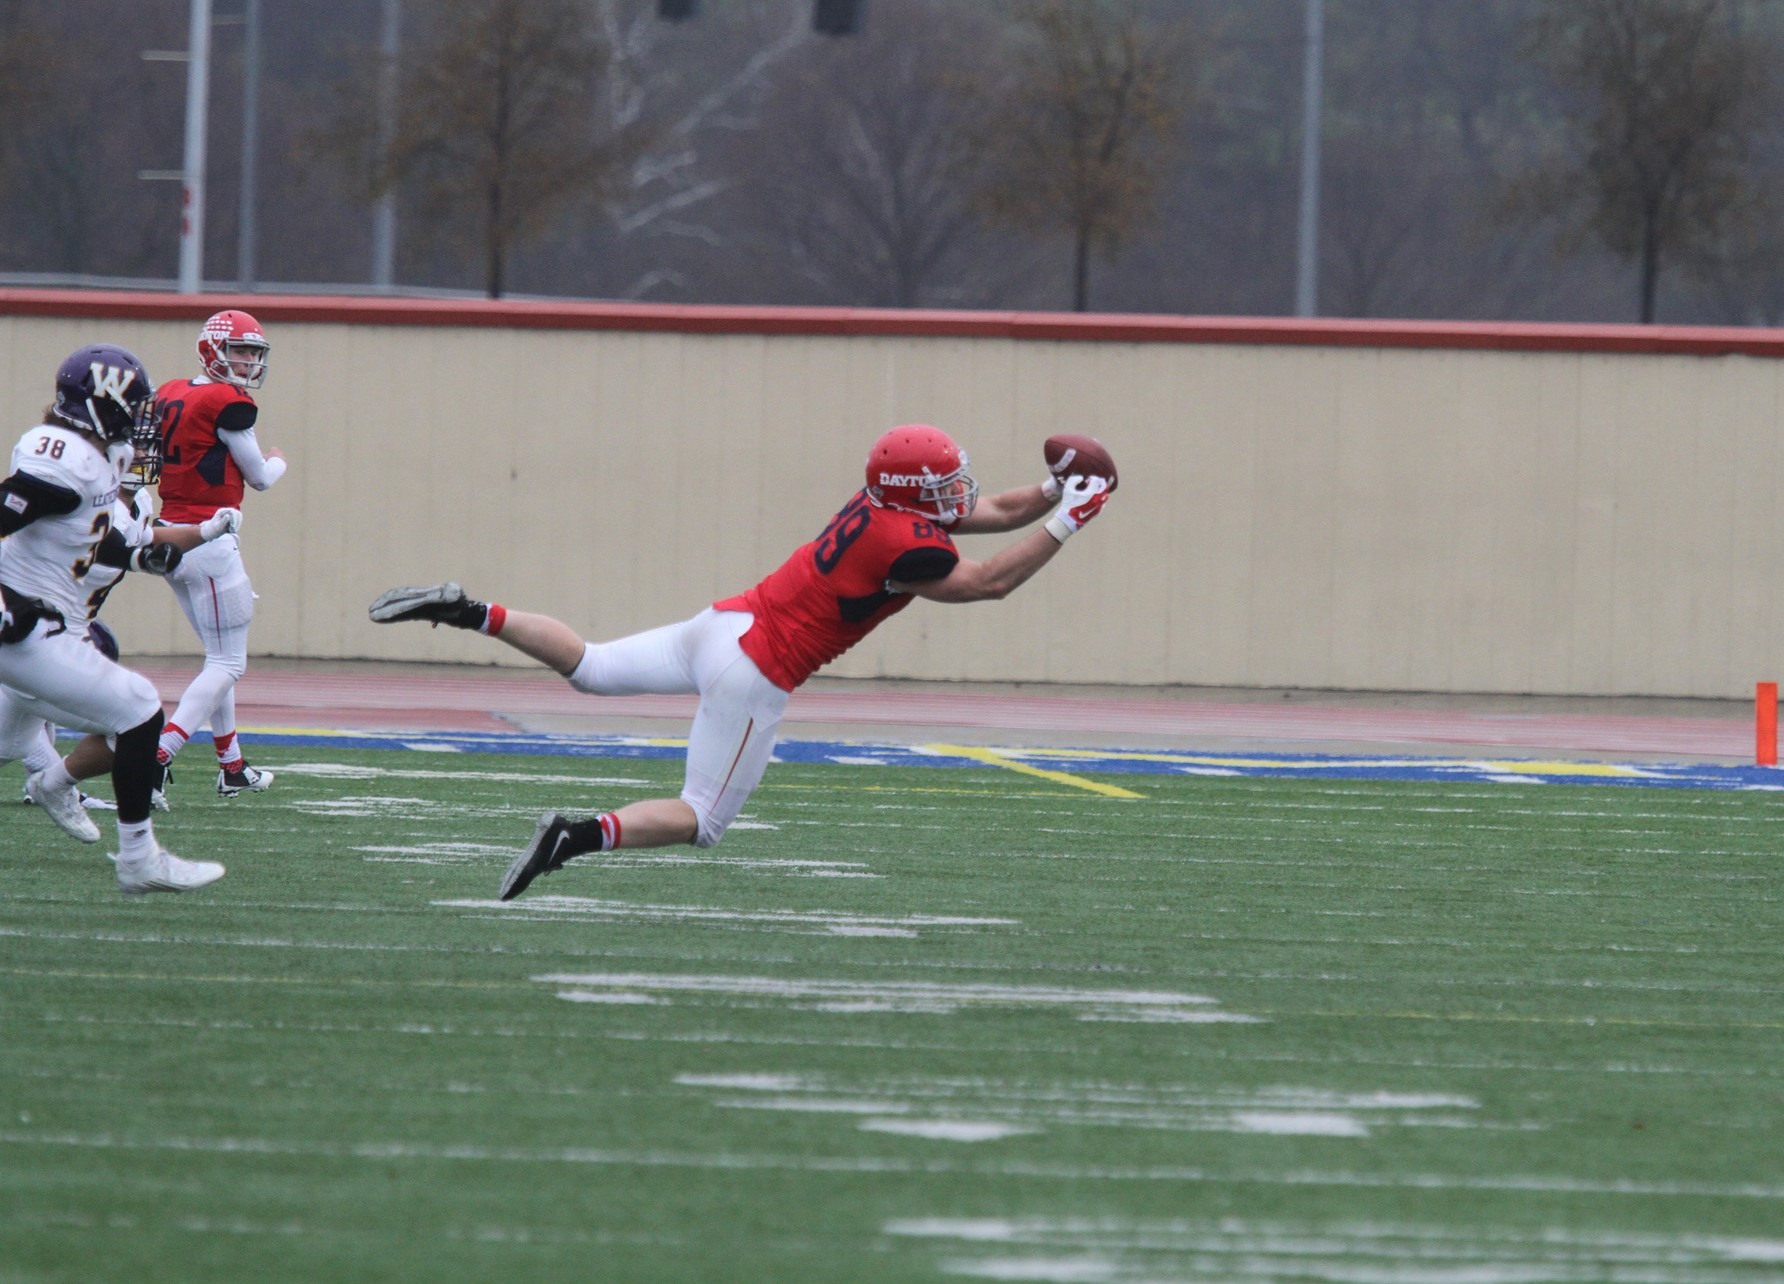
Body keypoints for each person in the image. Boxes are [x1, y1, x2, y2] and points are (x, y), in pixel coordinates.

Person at [369, 423, 1114, 902]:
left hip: (723, 623)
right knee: (702, 817)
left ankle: (469, 611)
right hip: (755, 666)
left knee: (592, 665)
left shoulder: (881, 505)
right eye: (946, 483)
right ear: (916, 494)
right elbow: (988, 582)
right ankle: (574, 835)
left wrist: (1053, 488)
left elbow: (992, 512)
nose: (961, 493)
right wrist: (1070, 518)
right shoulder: (906, 544)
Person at [0, 344, 238, 892]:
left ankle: (59, 789)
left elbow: (91, 537)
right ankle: (137, 859)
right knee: (140, 711)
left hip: (49, 631)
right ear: (99, 405)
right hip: (29, 630)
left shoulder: (100, 460)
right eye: (132, 406)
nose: (141, 419)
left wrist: (138, 556)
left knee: (19, 743)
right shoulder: (61, 454)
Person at [148, 308, 286, 804]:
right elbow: (261, 477)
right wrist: (280, 458)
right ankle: (158, 755)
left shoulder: (169, 391)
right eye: (241, 350)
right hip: (209, 538)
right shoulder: (225, 401)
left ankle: (231, 766)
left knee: (218, 658)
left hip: (168, 535)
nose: (249, 361)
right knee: (228, 662)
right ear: (213, 350)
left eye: (254, 352)